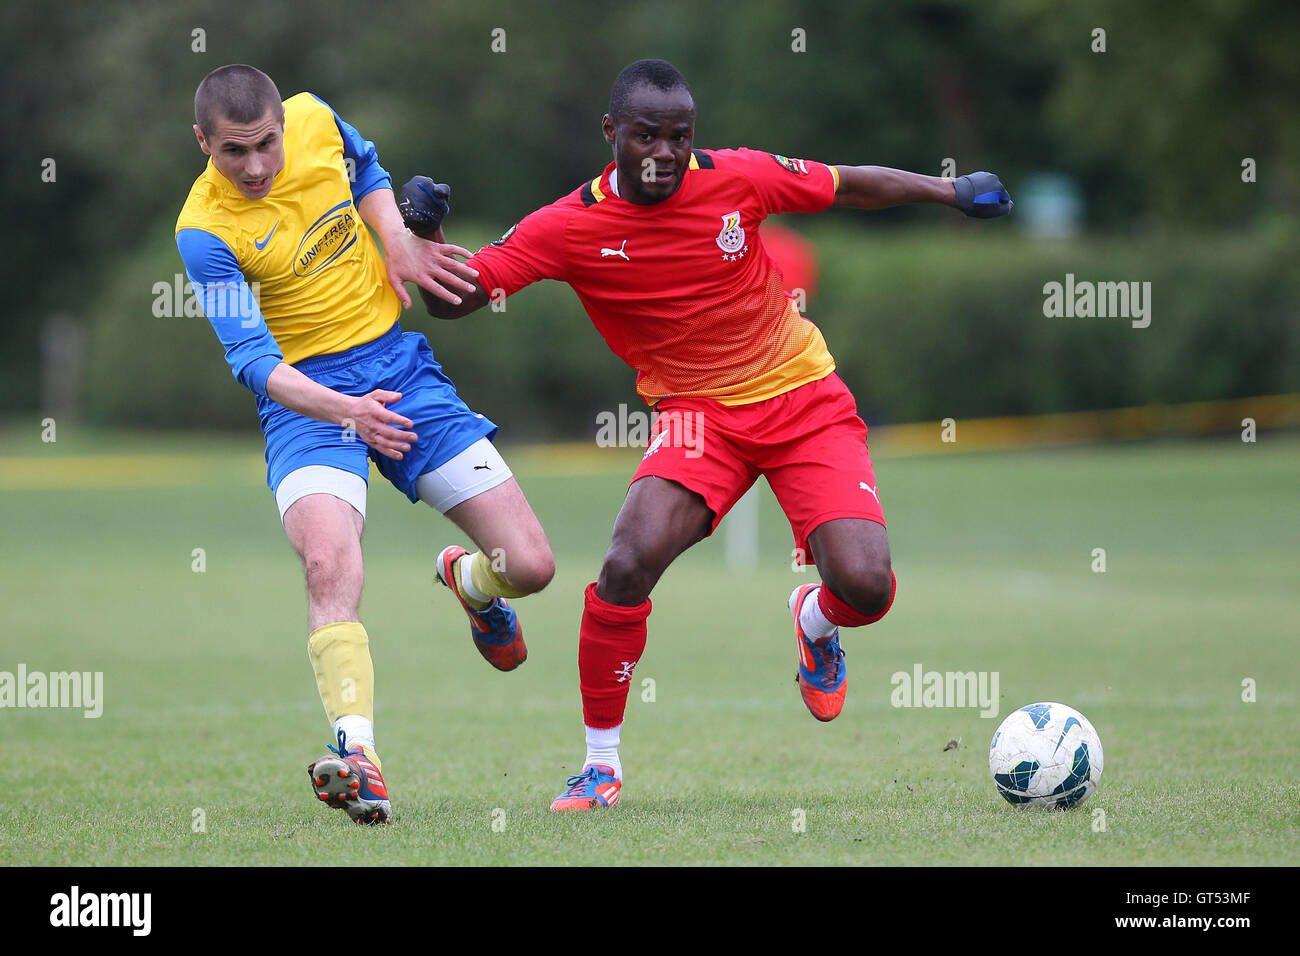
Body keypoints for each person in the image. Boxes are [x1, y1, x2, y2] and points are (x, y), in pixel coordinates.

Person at [408, 58, 1011, 811]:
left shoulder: (739, 179)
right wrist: (426, 235)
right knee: (626, 565)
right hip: (697, 418)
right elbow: (460, 302)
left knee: (867, 586)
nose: (664, 153)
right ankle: (600, 767)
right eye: (646, 137)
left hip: (804, 399)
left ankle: (815, 620)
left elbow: (846, 182)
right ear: (611, 134)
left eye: (680, 137)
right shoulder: (567, 226)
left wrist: (949, 191)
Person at [175, 64, 554, 825]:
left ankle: (474, 586)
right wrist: (348, 412)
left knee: (532, 566)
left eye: (266, 146)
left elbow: (370, 169)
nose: (254, 167)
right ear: (203, 144)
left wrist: (400, 244)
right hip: (309, 405)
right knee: (328, 564)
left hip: (398, 369)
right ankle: (359, 755)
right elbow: (255, 364)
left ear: (286, 121)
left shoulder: (317, 116)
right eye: (232, 153)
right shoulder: (203, 231)